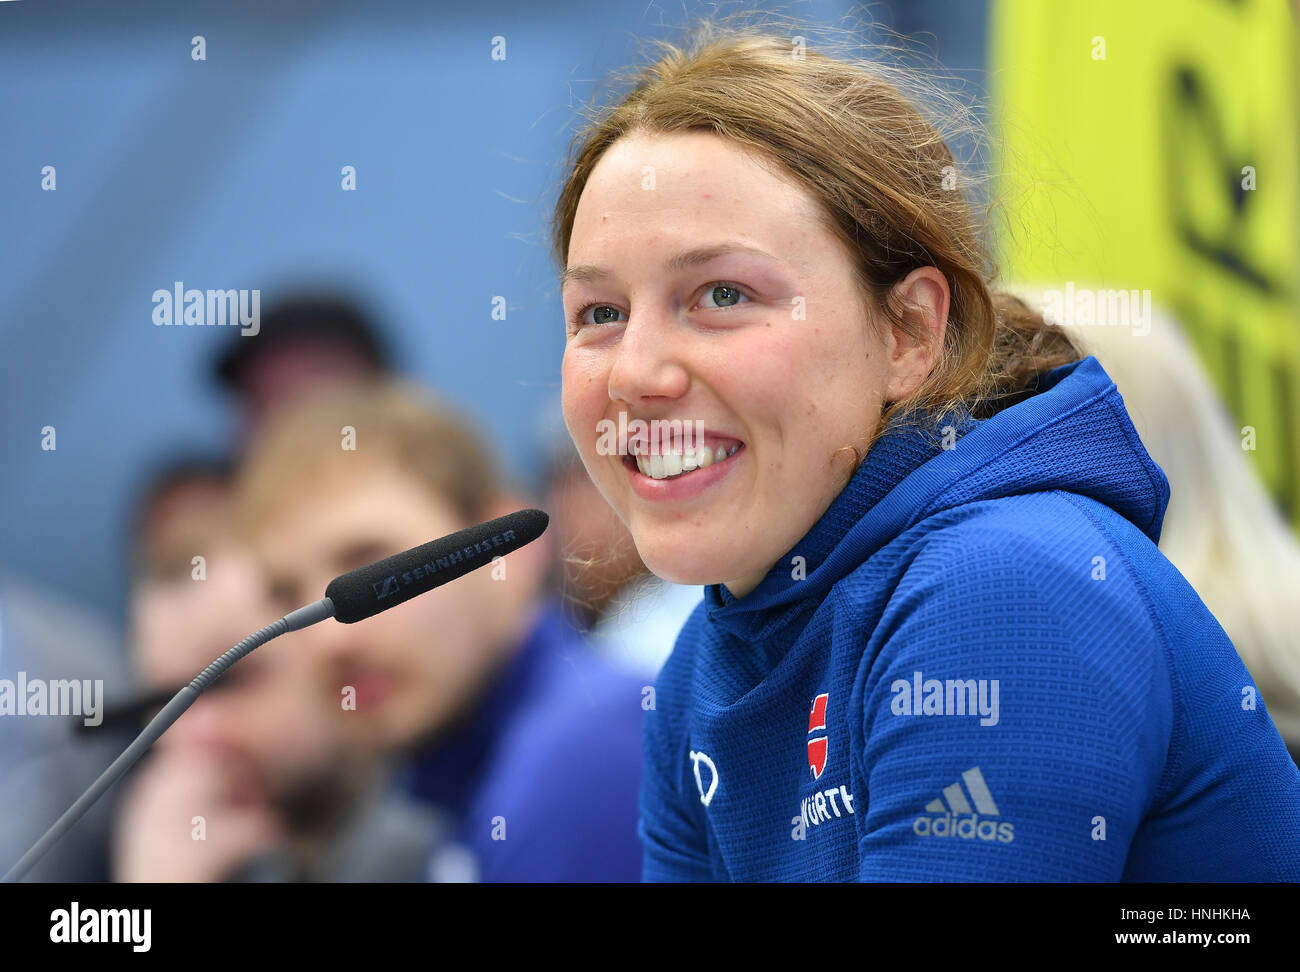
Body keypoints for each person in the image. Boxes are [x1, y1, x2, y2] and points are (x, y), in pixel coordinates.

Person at [553, 22, 1300, 881]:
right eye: (598, 314)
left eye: (722, 294)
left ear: (910, 331)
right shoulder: (700, 667)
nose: (636, 373)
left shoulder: (1005, 585)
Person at [231, 378, 645, 881]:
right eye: (285, 596)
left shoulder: (577, 763)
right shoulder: (455, 792)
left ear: (505, 547)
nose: (329, 639)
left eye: (372, 568)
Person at [114, 457, 440, 882]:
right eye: (165, 702)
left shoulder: (424, 836)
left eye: (230, 681)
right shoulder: (251, 861)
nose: (198, 735)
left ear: (329, 647)